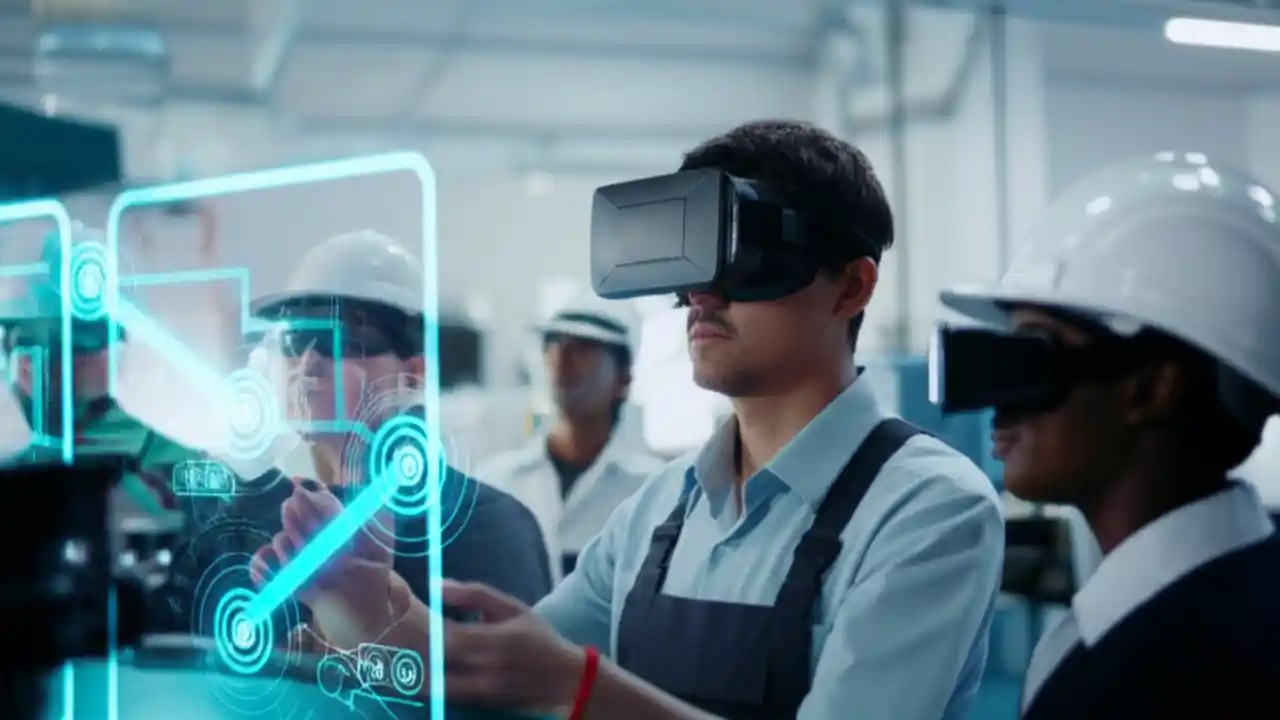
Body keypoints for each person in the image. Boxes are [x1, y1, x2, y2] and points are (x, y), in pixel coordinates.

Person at [275, 121, 1006, 719]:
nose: (700, 296)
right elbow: (489, 667)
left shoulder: (929, 510)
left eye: (744, 257)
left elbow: (550, 677)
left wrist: (579, 688)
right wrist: (375, 609)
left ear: (851, 286)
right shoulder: (660, 512)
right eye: (692, 264)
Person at [933, 154, 1280, 719]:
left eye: (1033, 355)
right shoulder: (1184, 613)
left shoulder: (1201, 671)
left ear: (1151, 390)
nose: (997, 402)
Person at [187, 229, 552, 651]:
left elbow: (515, 696)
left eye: (341, 341)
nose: (308, 362)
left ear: (413, 373)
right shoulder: (251, 521)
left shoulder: (484, 527)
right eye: (295, 339)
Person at [0, 224, 197, 520]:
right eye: (11, 339)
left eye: (30, 342)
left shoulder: (177, 465)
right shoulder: (23, 464)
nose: (22, 365)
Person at [477, 293, 665, 582]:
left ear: (624, 377)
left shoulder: (653, 491)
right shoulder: (496, 482)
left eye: (584, 347)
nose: (561, 358)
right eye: (553, 344)